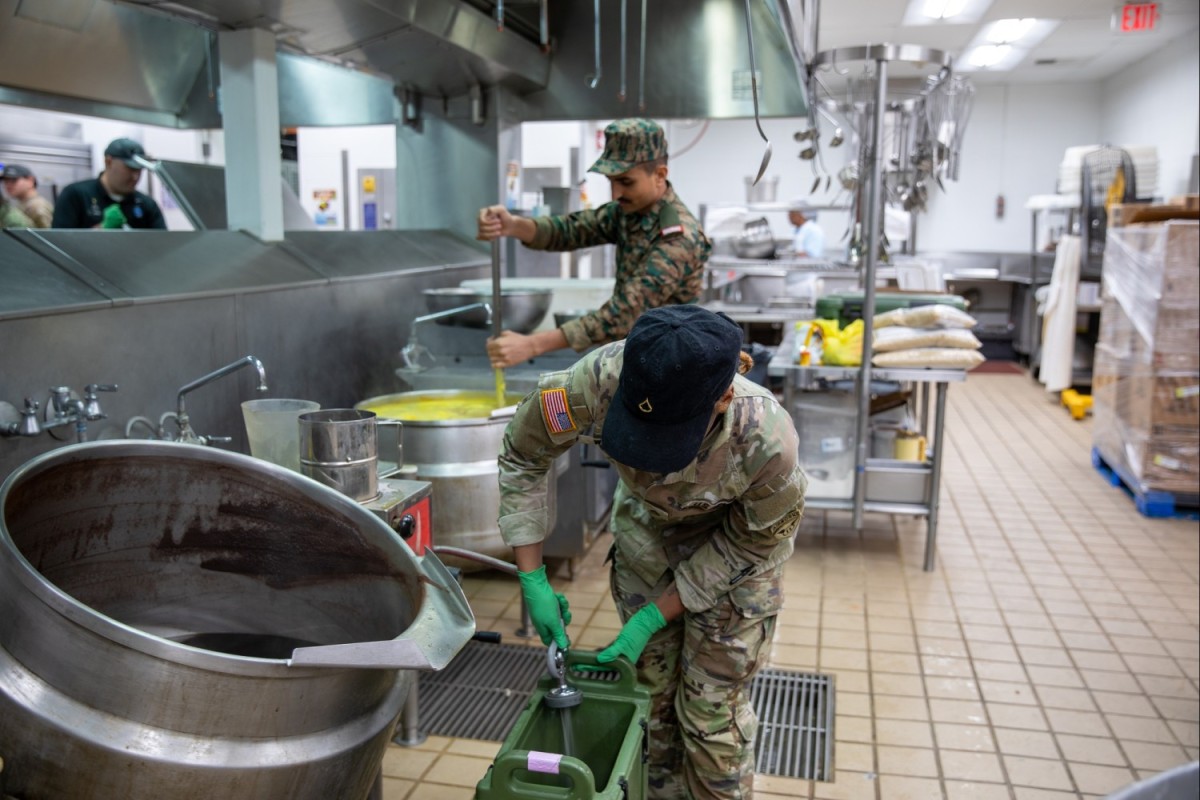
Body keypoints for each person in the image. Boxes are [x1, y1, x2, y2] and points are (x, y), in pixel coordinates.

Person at [497, 305, 807, 799]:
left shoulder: (766, 439)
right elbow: (523, 454)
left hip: (736, 559)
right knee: (649, 703)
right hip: (648, 539)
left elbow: (754, 539)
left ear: (723, 398)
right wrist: (532, 577)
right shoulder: (590, 384)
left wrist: (652, 617)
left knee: (710, 717)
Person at [476, 119, 711, 369]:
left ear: (660, 175)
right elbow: (570, 230)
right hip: (636, 355)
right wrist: (513, 225)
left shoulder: (677, 236)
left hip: (671, 365)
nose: (615, 193)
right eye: (611, 181)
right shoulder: (628, 212)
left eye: (626, 182)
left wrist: (532, 345)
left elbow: (626, 312)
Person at [52, 138, 166, 230]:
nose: (135, 177)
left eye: (139, 170)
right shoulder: (76, 196)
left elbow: (163, 245)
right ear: (108, 162)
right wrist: (101, 230)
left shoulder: (147, 205)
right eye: (130, 169)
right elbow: (58, 244)